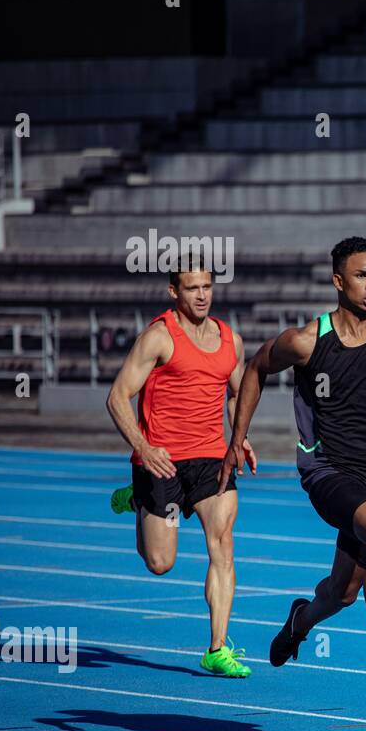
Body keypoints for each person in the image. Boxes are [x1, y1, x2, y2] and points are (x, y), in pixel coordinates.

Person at [221, 236, 366, 708]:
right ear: (338, 281)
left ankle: (300, 620)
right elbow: (257, 368)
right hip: (329, 473)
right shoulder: (308, 341)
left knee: (343, 593)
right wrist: (237, 435)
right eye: (363, 275)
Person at [106, 258, 257, 677]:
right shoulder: (158, 337)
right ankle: (138, 497)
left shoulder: (231, 341)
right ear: (175, 292)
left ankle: (216, 647)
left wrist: (239, 437)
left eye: (207, 287)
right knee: (160, 562)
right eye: (192, 288)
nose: (202, 295)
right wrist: (143, 446)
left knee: (223, 541)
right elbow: (118, 397)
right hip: (162, 461)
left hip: (211, 458)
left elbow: (234, 393)